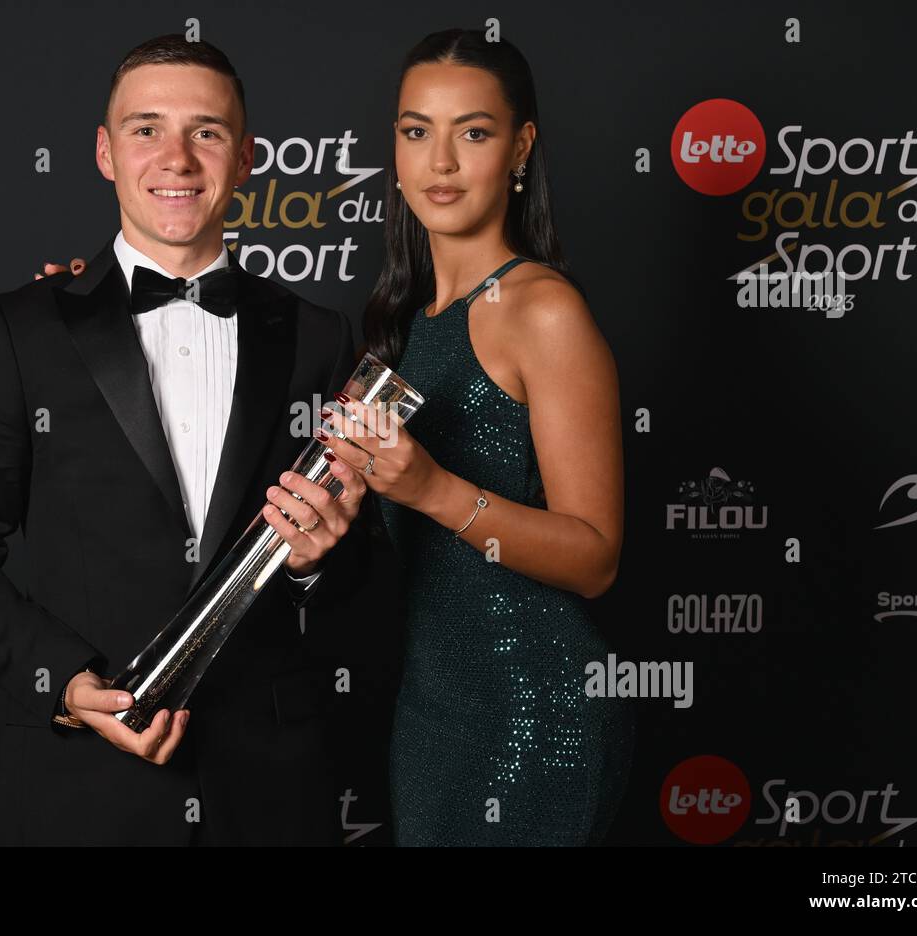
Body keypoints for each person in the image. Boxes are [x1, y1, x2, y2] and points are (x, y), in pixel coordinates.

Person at [0, 34, 368, 846]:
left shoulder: (318, 340)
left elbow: (368, 588)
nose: (177, 159)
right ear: (105, 152)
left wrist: (316, 565)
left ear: (247, 155)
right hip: (79, 795)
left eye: (207, 132)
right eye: (146, 128)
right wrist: (67, 685)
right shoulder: (20, 331)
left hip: (269, 796)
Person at [320, 28, 635, 845]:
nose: (441, 163)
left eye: (475, 132)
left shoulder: (542, 310)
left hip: (533, 711)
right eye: (417, 131)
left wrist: (430, 489)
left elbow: (596, 556)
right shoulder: (398, 325)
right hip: (431, 712)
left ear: (521, 146)